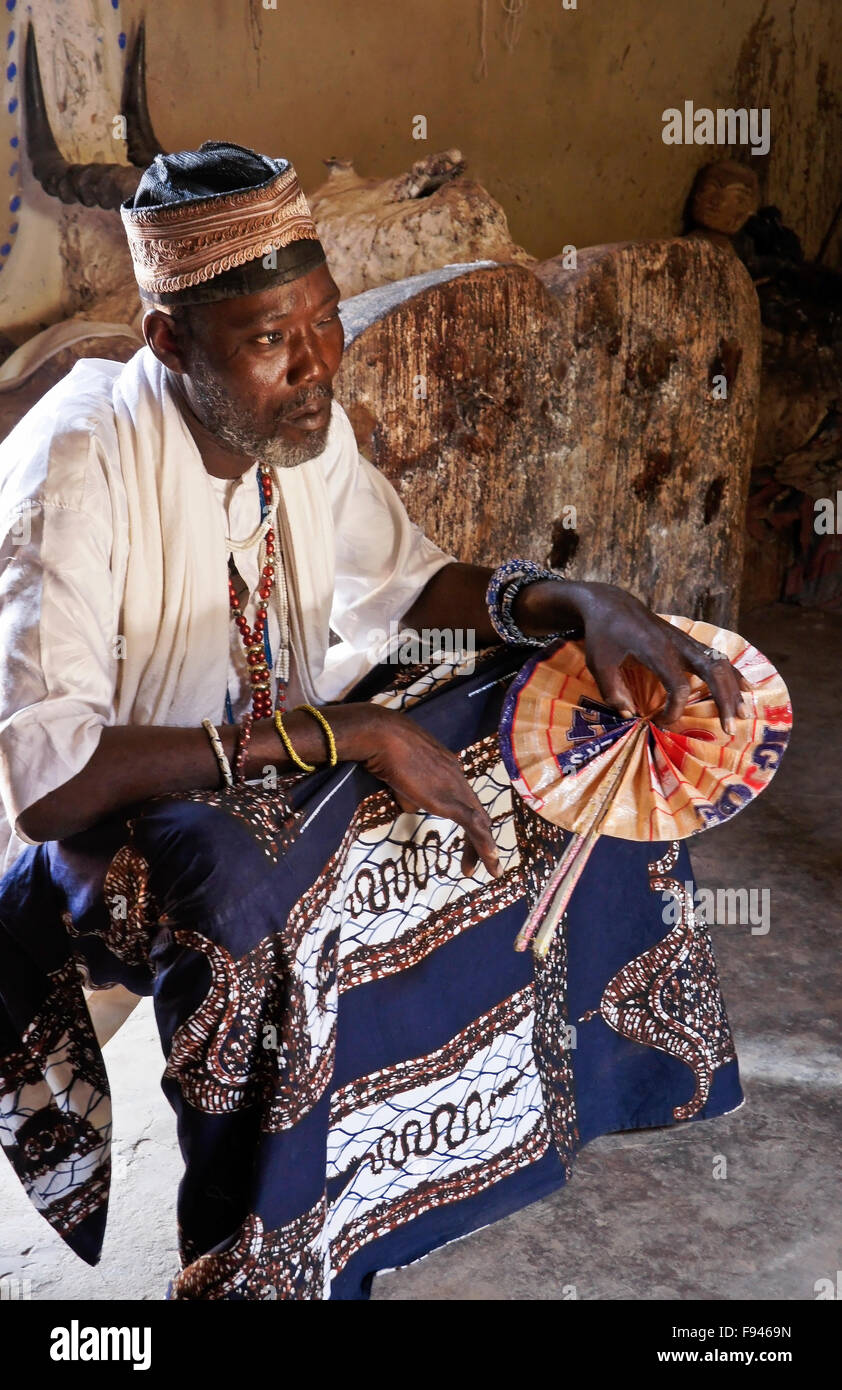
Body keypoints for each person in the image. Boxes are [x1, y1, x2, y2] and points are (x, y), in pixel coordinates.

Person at [0, 142, 748, 1300]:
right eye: (268, 341)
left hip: (285, 763)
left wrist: (574, 602)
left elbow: (404, 583)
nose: (315, 367)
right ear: (167, 342)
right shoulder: (80, 458)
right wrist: (339, 736)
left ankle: (581, 1087)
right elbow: (50, 782)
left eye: (324, 323)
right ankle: (268, 1249)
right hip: (128, 826)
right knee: (238, 877)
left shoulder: (296, 424)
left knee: (551, 712)